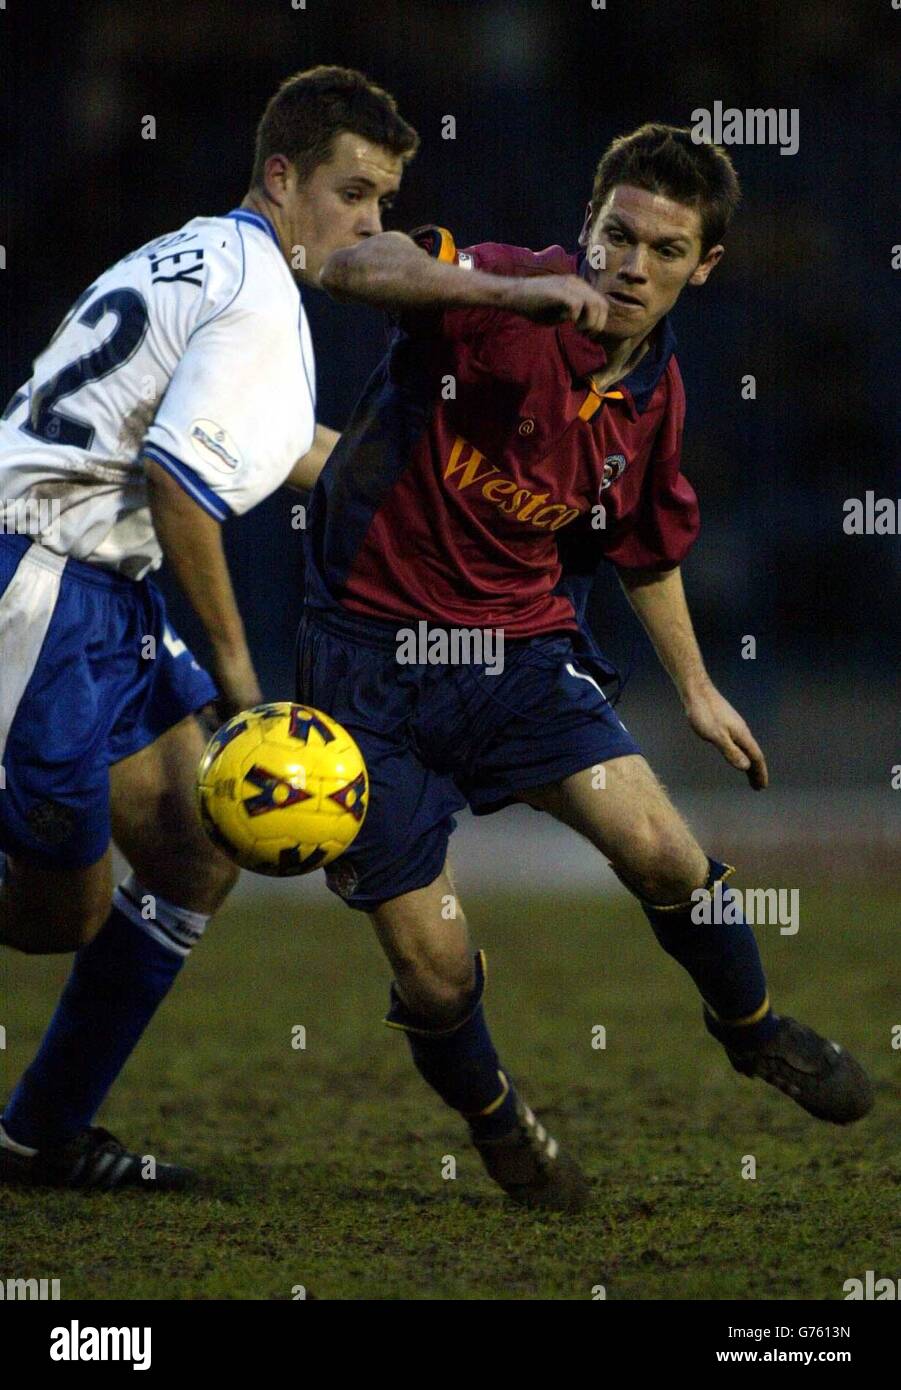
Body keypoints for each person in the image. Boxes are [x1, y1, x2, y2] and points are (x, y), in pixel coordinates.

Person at [301, 124, 873, 1211]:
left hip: (519, 657)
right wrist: (512, 300)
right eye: (618, 234)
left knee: (664, 850)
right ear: (588, 224)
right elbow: (349, 266)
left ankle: (752, 1032)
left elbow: (643, 544)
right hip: (367, 665)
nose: (631, 264)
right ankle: (497, 1121)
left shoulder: (654, 395)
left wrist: (698, 691)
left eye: (664, 249)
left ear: (701, 267)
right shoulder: (499, 285)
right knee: (434, 969)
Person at [0, 66, 417, 1191]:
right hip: (40, 578)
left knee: (193, 850)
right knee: (60, 917)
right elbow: (183, 488)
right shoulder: (261, 302)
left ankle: (38, 1136)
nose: (369, 225)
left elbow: (279, 448)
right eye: (353, 193)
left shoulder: (204, 256)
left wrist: (446, 501)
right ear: (281, 177)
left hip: (97, 582)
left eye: (383, 202)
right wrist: (245, 690)